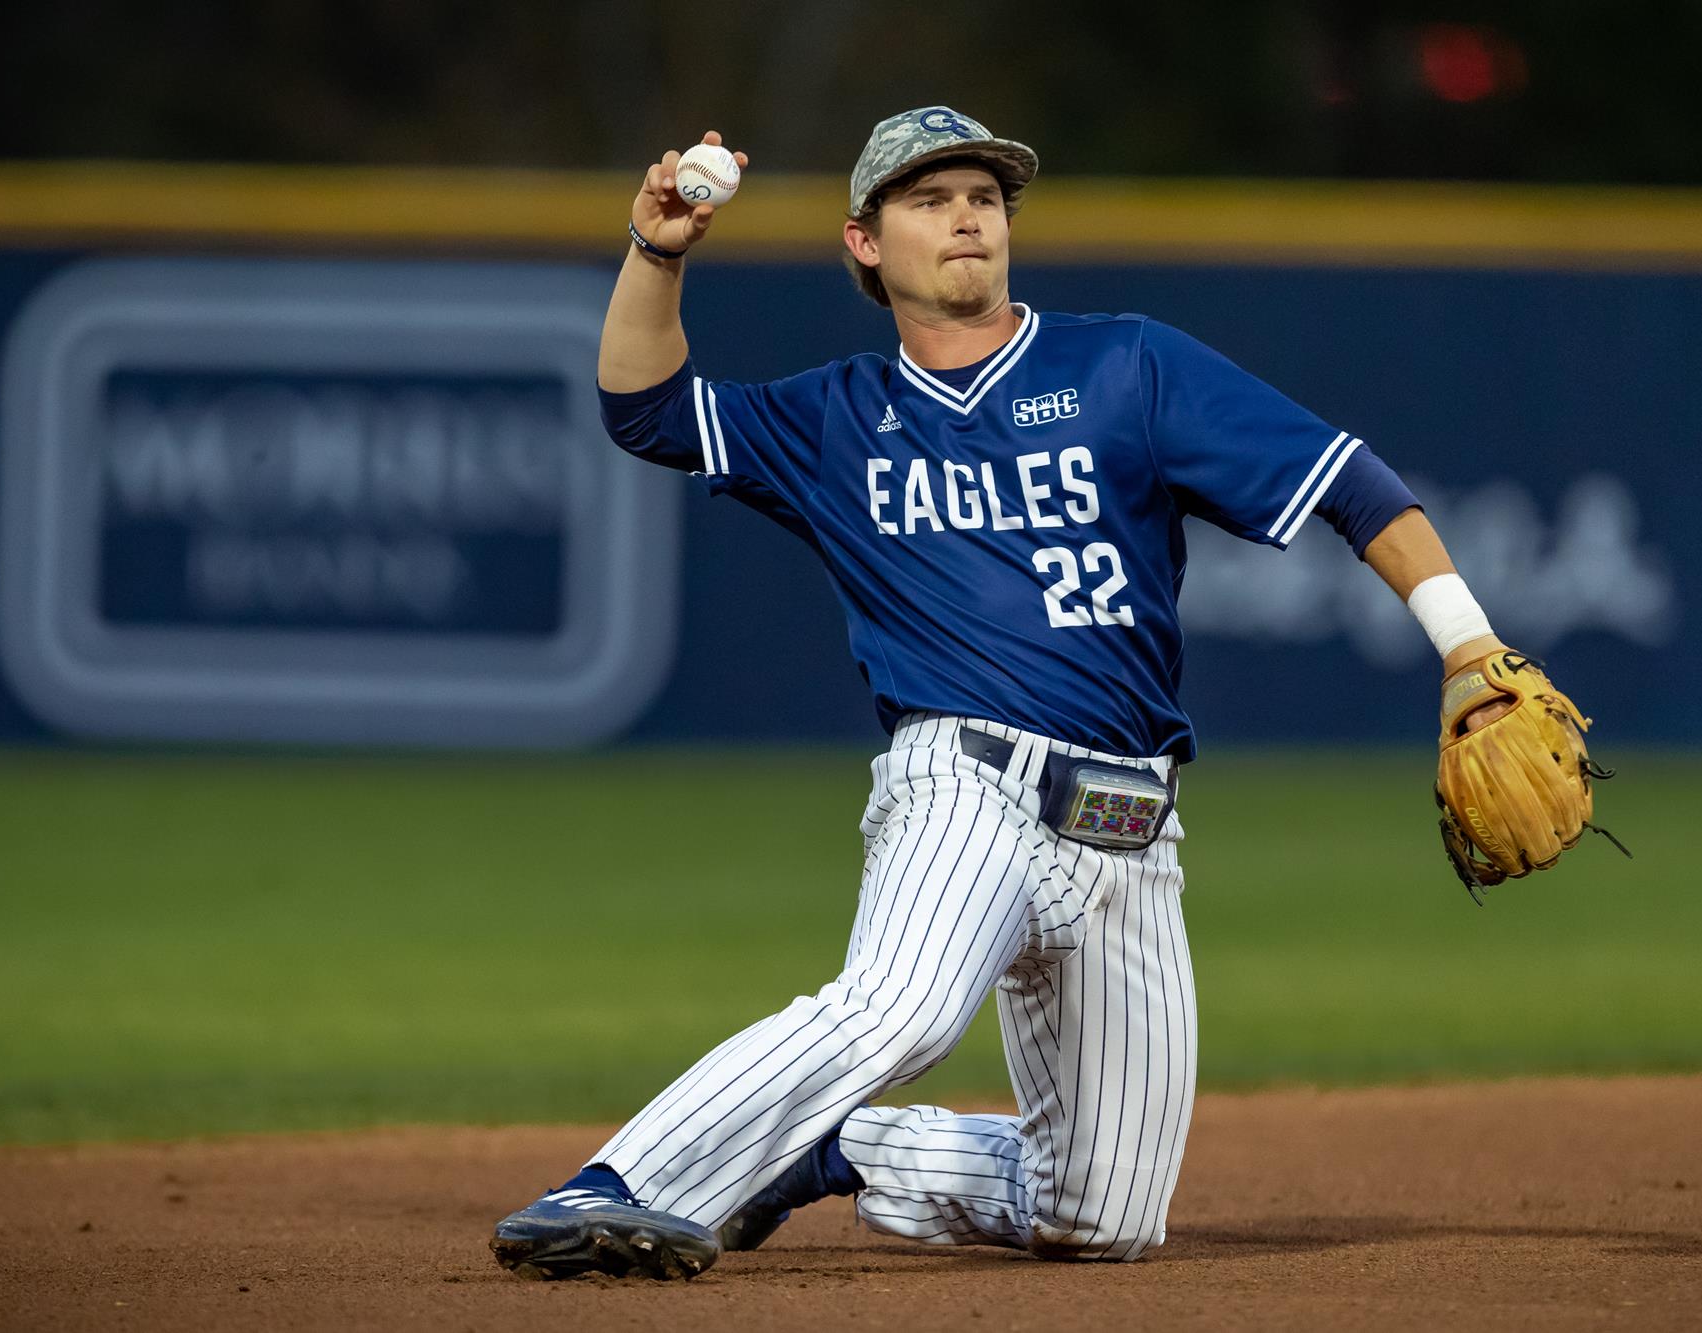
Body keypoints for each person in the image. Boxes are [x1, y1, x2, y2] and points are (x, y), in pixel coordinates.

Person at [490, 106, 1517, 1280]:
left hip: (1129, 826)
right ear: (864, 244)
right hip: (962, 784)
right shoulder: (834, 417)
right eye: (928, 199)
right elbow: (645, 409)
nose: (966, 213)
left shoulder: (1125, 362)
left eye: (982, 193)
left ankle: (839, 1148)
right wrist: (658, 252)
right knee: (903, 1006)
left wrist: (1467, 649)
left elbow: (1352, 486)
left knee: (1103, 1214)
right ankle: (618, 1181)